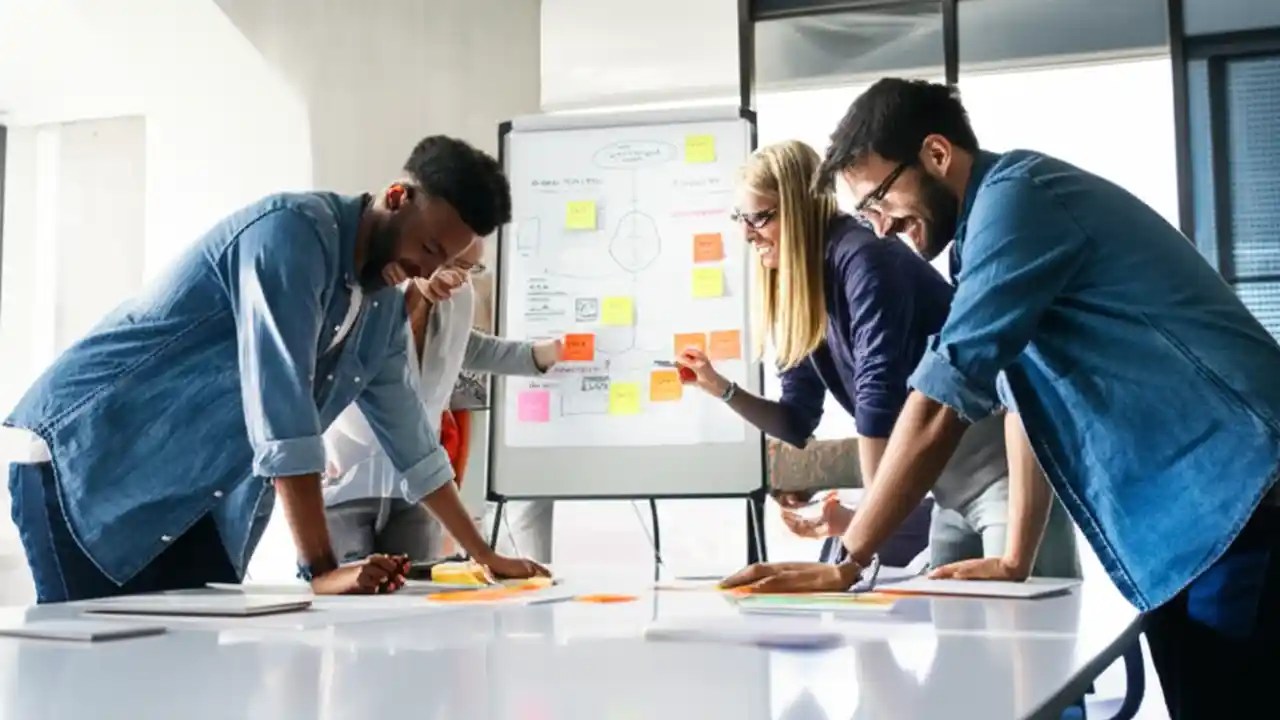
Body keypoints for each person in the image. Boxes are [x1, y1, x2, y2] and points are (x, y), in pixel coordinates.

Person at [722, 79, 1280, 718]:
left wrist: (849, 560)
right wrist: (1014, 557)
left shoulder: (1018, 201)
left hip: (1241, 493)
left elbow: (938, 401)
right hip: (1189, 525)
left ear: (936, 154)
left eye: (878, 197)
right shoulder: (983, 243)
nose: (878, 223)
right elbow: (1021, 395)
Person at [2, 135, 546, 603]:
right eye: (428, 246)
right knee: (91, 677)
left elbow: (414, 443)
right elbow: (282, 410)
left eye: (445, 262)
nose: (427, 270)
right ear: (397, 197)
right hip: (87, 459)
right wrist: (323, 570)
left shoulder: (380, 305)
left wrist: (485, 556)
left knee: (192, 679)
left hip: (192, 492)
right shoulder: (291, 235)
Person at [679, 140, 1078, 579]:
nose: (748, 233)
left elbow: (878, 396)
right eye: (741, 218)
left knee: (1028, 637)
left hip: (1007, 477)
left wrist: (856, 546)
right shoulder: (800, 290)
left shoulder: (863, 258)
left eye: (760, 217)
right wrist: (721, 387)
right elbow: (796, 421)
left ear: (798, 209)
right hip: (946, 493)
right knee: (961, 643)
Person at [322, 240, 560, 564]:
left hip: (416, 487)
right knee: (347, 599)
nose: (458, 279)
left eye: (469, 268)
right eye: (452, 264)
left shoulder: (459, 295)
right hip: (346, 475)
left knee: (414, 596)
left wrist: (533, 357)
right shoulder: (371, 290)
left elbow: (464, 343)